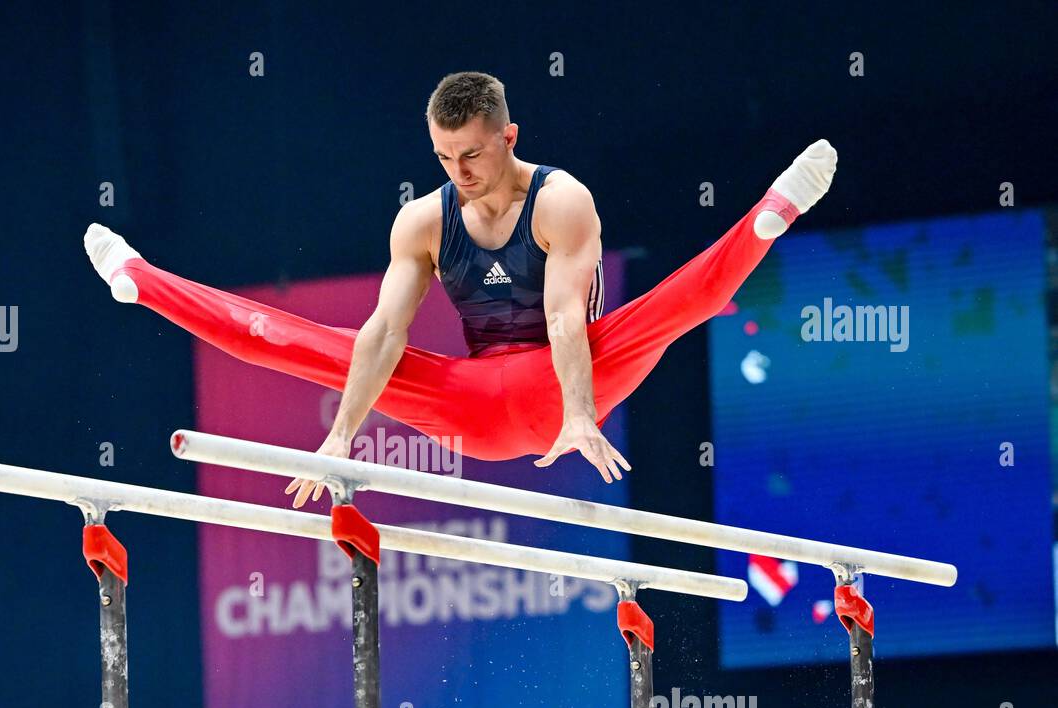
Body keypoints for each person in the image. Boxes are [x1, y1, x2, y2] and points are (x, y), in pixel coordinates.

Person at [84, 71, 836, 506]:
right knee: (297, 344)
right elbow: (384, 336)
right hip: (469, 404)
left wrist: (578, 416)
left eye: (471, 154)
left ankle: (769, 214)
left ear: (510, 137)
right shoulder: (420, 221)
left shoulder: (560, 201)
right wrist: (341, 437)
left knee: (676, 307)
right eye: (444, 157)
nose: (459, 173)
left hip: (567, 383)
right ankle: (143, 280)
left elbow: (566, 317)